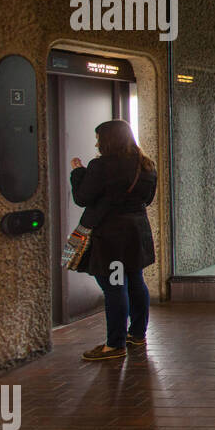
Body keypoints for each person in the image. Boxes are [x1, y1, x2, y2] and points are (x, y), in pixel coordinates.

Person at [69, 119, 157, 362]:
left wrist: (78, 172)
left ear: (108, 140)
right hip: (136, 232)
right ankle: (137, 334)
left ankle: (115, 344)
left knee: (114, 286)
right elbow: (147, 199)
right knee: (135, 280)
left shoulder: (101, 166)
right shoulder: (146, 165)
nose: (96, 143)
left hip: (110, 237)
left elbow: (82, 197)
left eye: (98, 138)